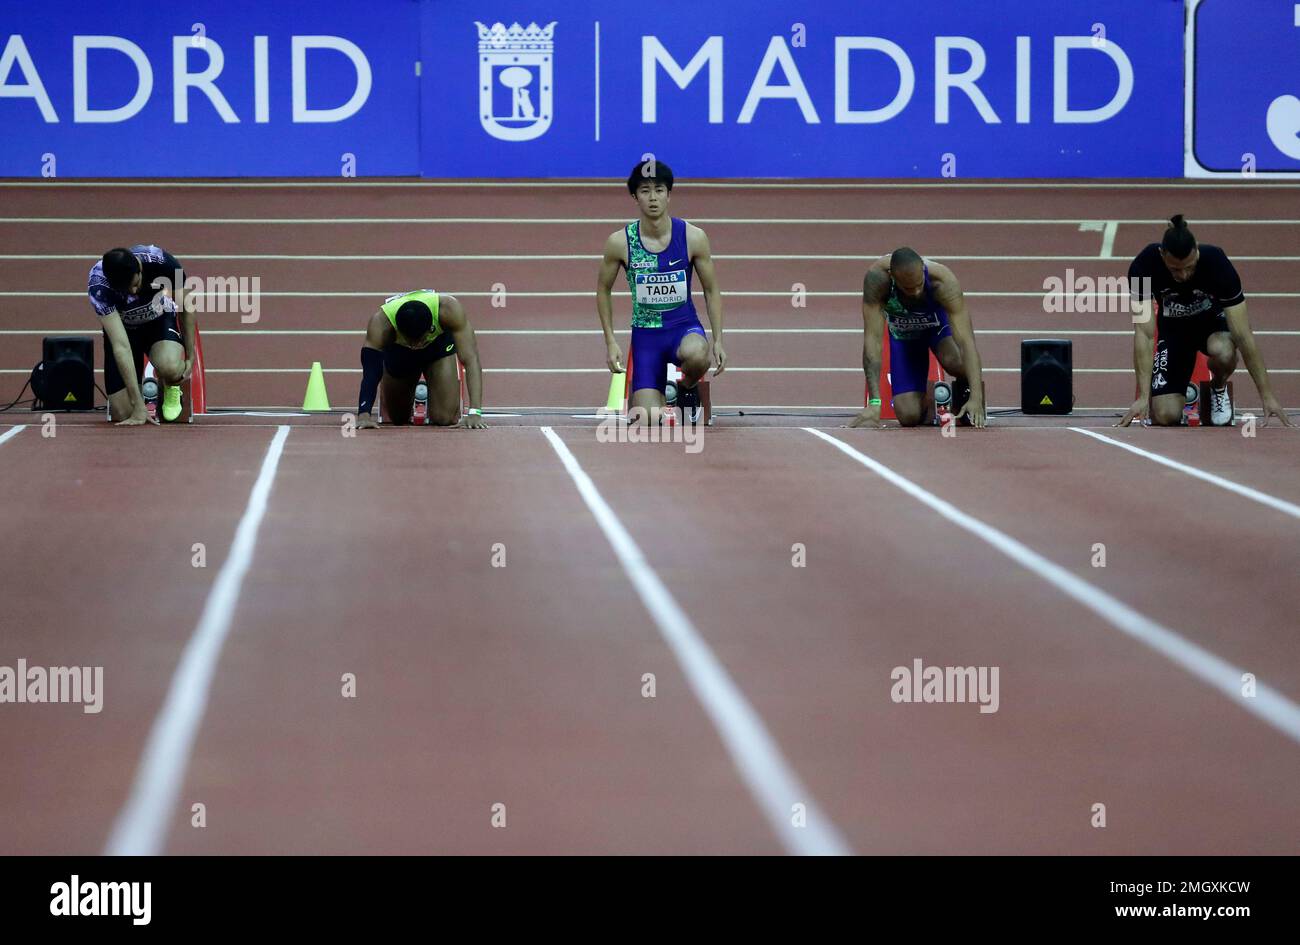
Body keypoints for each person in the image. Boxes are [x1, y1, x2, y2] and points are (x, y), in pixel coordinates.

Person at [1118, 215, 1292, 427]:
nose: (1183, 275)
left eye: (1189, 267)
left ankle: (1217, 388)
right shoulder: (1143, 267)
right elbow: (1144, 334)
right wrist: (1143, 397)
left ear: (1197, 251)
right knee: (1165, 415)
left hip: (1213, 327)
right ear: (1162, 255)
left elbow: (1243, 335)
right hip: (1173, 333)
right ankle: (1183, 401)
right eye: (1175, 269)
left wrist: (1267, 396)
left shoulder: (1217, 263)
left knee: (1225, 351)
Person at [596, 159, 726, 424]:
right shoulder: (620, 242)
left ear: (669, 194)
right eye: (645, 191)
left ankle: (688, 388)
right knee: (646, 420)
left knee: (698, 354)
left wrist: (719, 339)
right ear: (634, 197)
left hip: (684, 328)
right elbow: (603, 290)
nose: (652, 198)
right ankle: (658, 396)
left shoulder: (693, 237)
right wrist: (610, 341)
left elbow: (711, 289)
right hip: (646, 339)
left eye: (659, 190)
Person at [850, 248, 986, 429]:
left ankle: (967, 393)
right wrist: (874, 403)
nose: (914, 292)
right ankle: (930, 396)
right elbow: (872, 342)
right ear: (893, 277)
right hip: (905, 336)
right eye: (907, 287)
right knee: (908, 417)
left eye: (919, 284)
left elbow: (967, 342)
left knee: (957, 361)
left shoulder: (943, 282)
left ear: (923, 269)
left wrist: (976, 397)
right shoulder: (877, 281)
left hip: (937, 329)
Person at [87, 245, 196, 424]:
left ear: (139, 269)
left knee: (170, 366)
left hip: (158, 321)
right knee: (122, 413)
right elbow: (121, 346)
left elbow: (187, 309)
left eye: (135, 284)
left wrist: (191, 357)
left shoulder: (164, 263)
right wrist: (138, 406)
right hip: (125, 331)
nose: (133, 292)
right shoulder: (98, 285)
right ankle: (139, 401)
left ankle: (170, 385)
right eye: (126, 290)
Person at [354, 289, 487, 429]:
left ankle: (438, 387)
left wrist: (475, 412)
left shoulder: (449, 310)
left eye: (419, 341)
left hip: (437, 347)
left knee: (444, 418)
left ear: (431, 327)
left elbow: (471, 359)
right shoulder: (381, 324)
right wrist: (364, 414)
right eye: (411, 342)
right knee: (398, 418)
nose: (416, 346)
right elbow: (371, 373)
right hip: (400, 351)